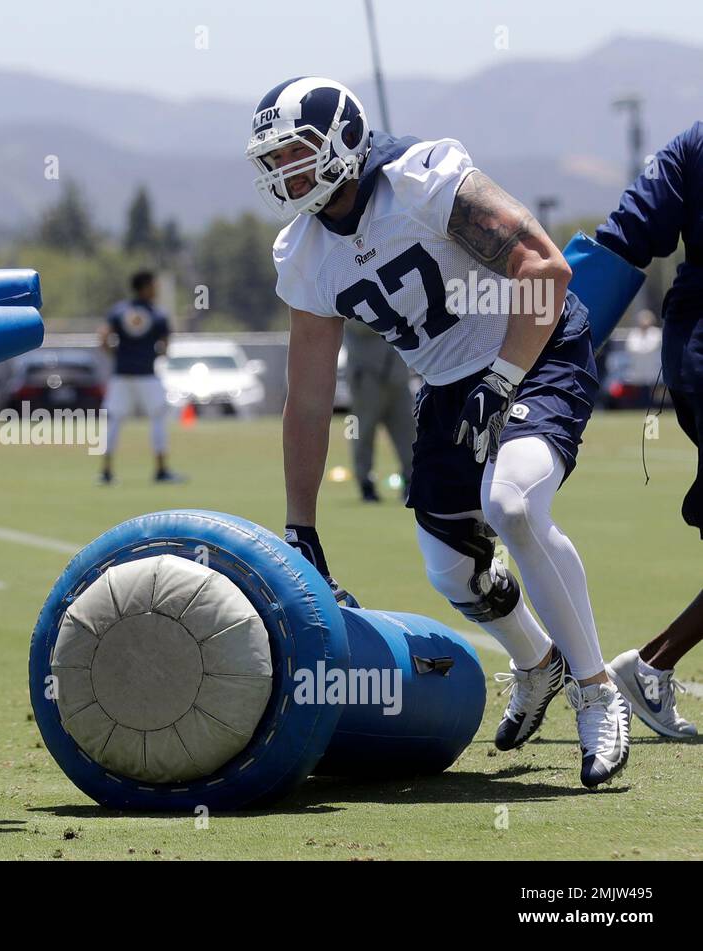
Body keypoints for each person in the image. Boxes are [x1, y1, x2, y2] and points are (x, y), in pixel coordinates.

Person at [250, 76, 628, 788]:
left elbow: (544, 268)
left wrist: (504, 380)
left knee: (511, 501)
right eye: (273, 162)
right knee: (448, 566)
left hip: (534, 346)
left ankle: (597, 689)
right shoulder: (303, 249)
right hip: (451, 383)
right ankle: (536, 662)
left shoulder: (422, 180)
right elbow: (305, 398)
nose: (285, 174)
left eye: (296, 154)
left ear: (342, 139)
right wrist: (301, 524)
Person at [595, 121, 703, 738]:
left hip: (688, 351)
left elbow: (629, 234)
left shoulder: (691, 142)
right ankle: (652, 667)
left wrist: (563, 331)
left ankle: (652, 668)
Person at [99, 270, 181, 484]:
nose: (156, 289)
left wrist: (118, 356)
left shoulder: (119, 311)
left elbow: (104, 338)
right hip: (147, 375)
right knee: (158, 420)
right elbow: (165, 346)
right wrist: (152, 354)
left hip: (121, 374)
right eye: (153, 285)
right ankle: (161, 470)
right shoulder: (158, 313)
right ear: (145, 287)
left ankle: (106, 471)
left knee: (114, 421)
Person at [343, 320, 413, 502]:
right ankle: (365, 483)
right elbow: (358, 323)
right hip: (367, 377)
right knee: (362, 433)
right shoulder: (351, 295)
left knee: (409, 433)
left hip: (397, 377)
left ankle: (411, 481)